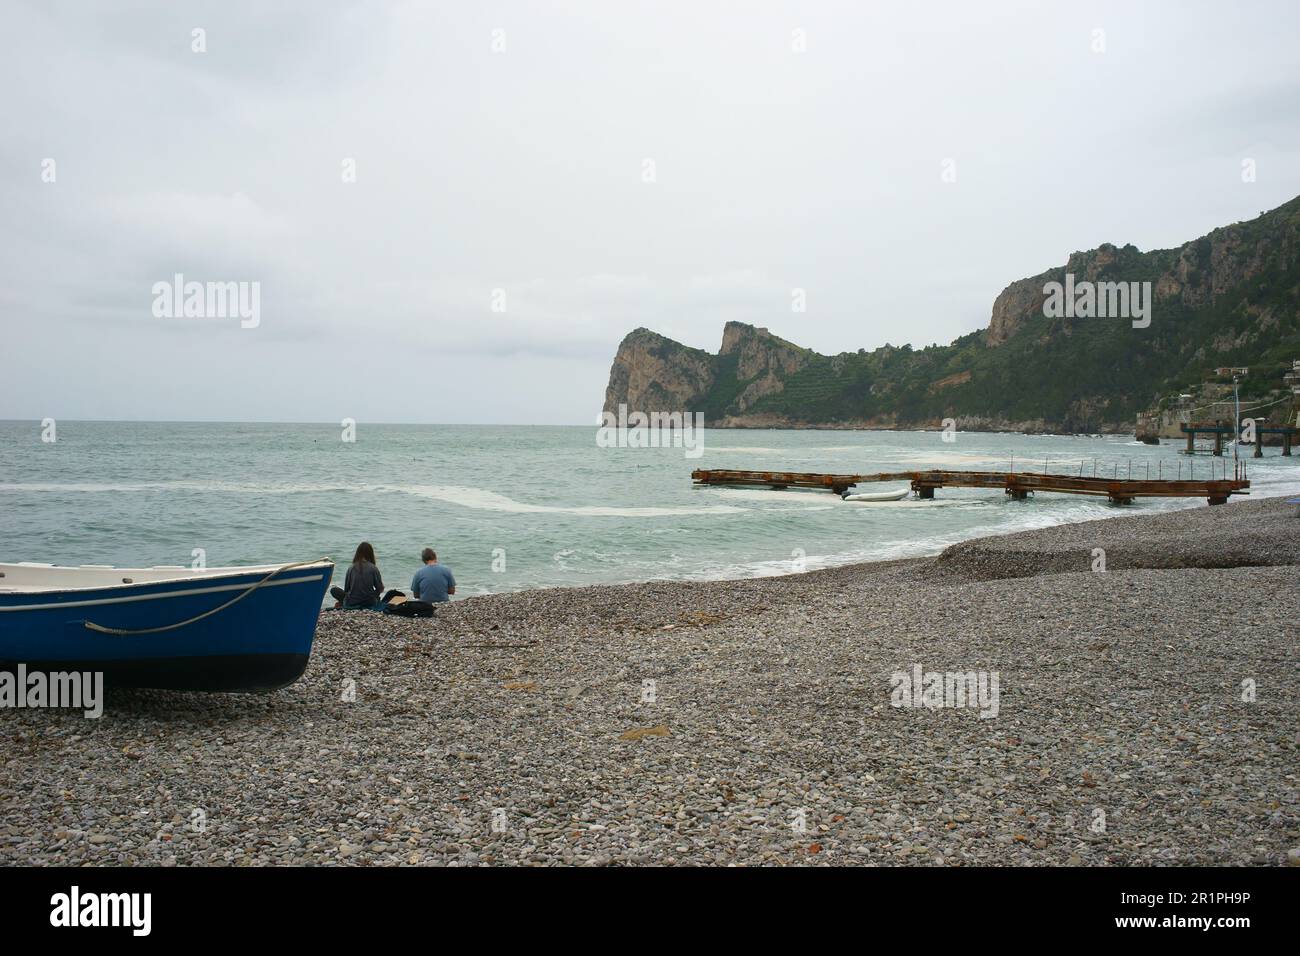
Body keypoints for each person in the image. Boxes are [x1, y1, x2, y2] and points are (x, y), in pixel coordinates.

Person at [331, 542, 386, 609]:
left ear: (357, 553)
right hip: (369, 602)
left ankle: (341, 603)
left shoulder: (351, 568)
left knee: (334, 590)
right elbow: (380, 588)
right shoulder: (373, 568)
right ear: (371, 554)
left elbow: (346, 589)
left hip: (352, 602)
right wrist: (374, 596)